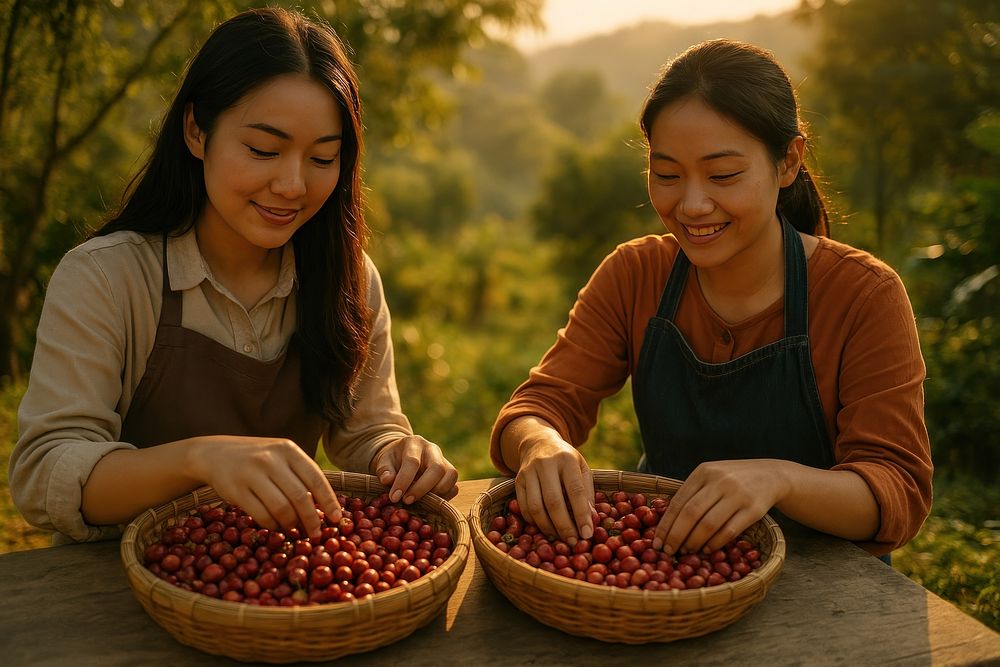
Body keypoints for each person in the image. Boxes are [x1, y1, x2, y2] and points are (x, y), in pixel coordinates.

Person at [9, 7, 457, 545]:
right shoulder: (107, 278)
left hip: (271, 583)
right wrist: (201, 460)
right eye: (263, 150)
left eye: (322, 159)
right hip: (110, 588)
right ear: (196, 132)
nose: (292, 185)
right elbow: (44, 474)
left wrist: (399, 454)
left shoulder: (348, 279)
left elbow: (367, 431)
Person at [490, 39, 933, 560]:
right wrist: (541, 443)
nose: (693, 205)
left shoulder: (862, 294)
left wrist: (779, 481)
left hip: (829, 588)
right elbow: (538, 406)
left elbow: (897, 491)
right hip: (666, 569)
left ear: (788, 162)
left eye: (723, 175)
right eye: (667, 175)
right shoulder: (636, 274)